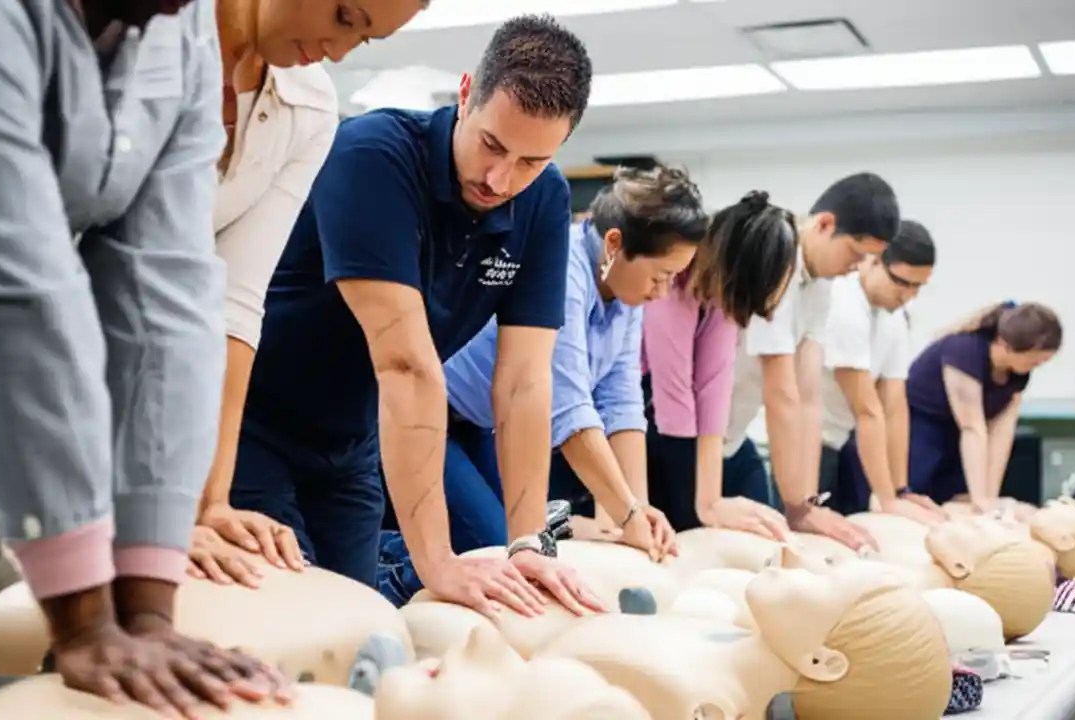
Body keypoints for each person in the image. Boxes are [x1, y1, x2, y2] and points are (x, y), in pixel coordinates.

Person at [0, 1, 285, 717]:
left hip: (18, 307)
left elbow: (168, 295)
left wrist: (147, 606)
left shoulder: (178, 31)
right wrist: (85, 623)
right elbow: (17, 292)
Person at [231, 15, 602, 619]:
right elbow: (405, 364)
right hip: (253, 425)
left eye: (531, 161)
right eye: (491, 144)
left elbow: (525, 381)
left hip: (352, 442)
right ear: (464, 94)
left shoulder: (545, 198)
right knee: (284, 620)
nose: (500, 179)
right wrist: (439, 563)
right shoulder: (372, 156)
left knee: (358, 624)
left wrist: (528, 543)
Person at [377, 165, 707, 606]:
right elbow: (568, 405)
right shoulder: (565, 266)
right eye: (660, 275)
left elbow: (621, 401)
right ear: (615, 245)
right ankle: (368, 572)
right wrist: (625, 512)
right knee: (498, 544)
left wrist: (636, 510)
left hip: (480, 424)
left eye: (672, 278)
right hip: (432, 412)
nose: (663, 291)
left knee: (525, 542)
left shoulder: (627, 296)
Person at [187, 0, 427, 587]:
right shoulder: (145, 36)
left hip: (142, 366)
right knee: (3, 577)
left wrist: (208, 504)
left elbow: (236, 305)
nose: (340, 50)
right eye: (345, 16)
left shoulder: (311, 105)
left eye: (365, 40)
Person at [720, 173, 900, 552]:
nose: (857, 266)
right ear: (824, 224)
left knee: (777, 543)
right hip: (690, 435)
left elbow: (808, 395)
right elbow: (781, 393)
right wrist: (797, 506)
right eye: (854, 252)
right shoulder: (777, 260)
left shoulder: (821, 286)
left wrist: (809, 500)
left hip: (731, 440)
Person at [641, 192, 798, 538]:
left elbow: (714, 390)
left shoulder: (718, 299)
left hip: (669, 419)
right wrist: (702, 510)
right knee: (684, 530)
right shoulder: (675, 278)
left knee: (728, 512)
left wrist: (710, 503)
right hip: (635, 407)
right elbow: (675, 398)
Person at [818, 220, 944, 523]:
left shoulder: (894, 315)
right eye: (901, 283)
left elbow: (894, 405)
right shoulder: (844, 303)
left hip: (840, 441)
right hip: (806, 443)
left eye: (918, 287)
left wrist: (901, 490)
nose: (908, 295)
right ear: (873, 260)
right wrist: (887, 500)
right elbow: (868, 409)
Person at [905, 302, 1062, 510]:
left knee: (969, 500)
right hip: (918, 427)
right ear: (1005, 345)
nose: (1037, 368)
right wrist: (979, 499)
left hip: (958, 437)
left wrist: (988, 498)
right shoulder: (964, 351)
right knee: (917, 498)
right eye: (1035, 362)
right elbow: (972, 427)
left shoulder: (1018, 372)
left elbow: (1001, 434)